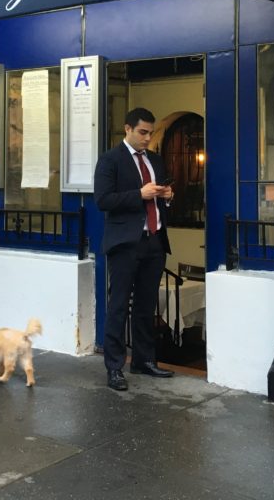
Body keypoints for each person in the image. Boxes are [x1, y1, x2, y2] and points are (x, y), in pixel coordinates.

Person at [93, 107, 175, 392]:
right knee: (118, 306)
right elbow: (103, 200)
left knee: (146, 305)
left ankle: (143, 360)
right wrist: (139, 194)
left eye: (151, 133)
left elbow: (160, 195)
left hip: (155, 240)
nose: (147, 138)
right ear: (127, 129)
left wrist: (167, 196)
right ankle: (115, 367)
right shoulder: (110, 160)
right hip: (125, 243)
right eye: (142, 132)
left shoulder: (155, 160)